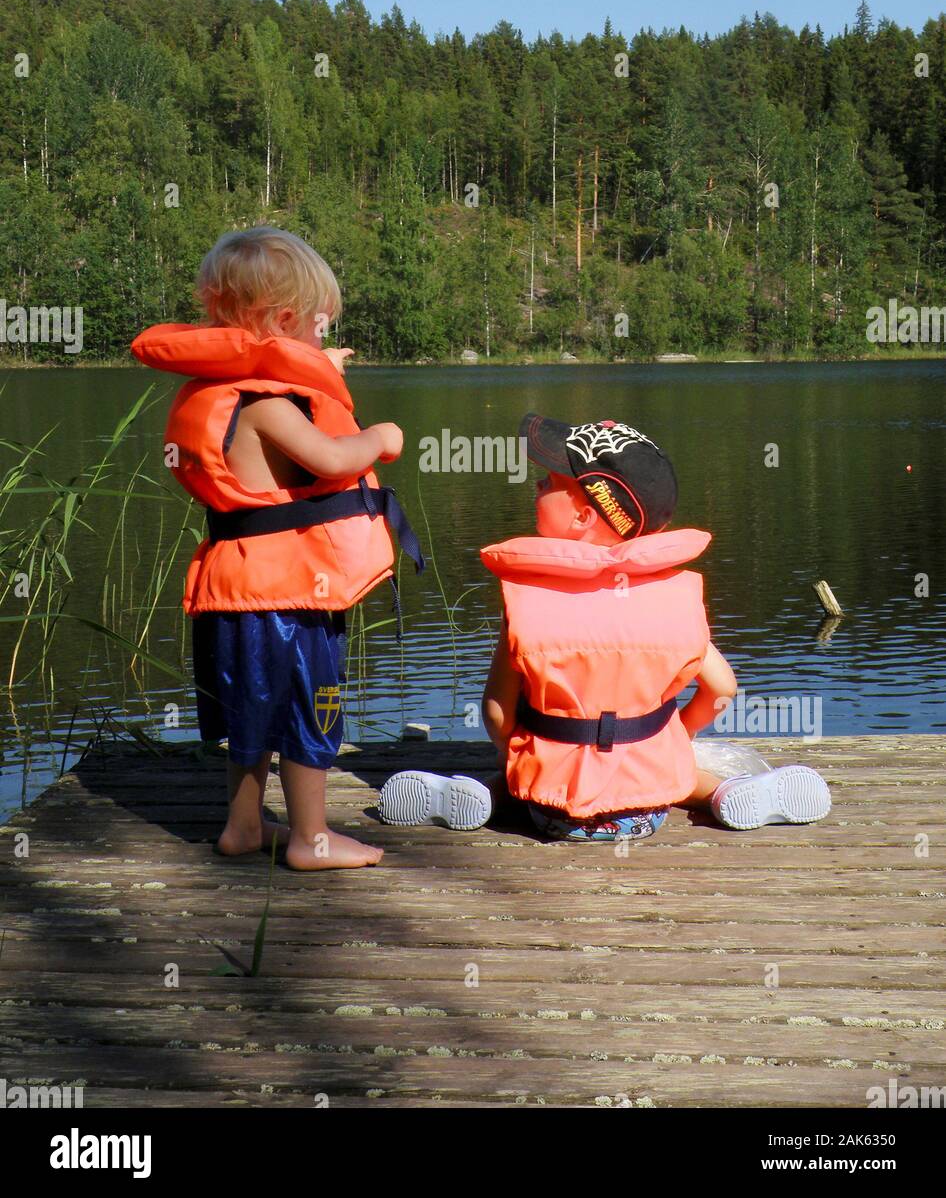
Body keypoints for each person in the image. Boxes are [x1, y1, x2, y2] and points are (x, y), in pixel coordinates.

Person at [378, 414, 830, 841]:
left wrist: (512, 748)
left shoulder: (529, 600)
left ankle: (485, 795)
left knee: (528, 764)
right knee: (671, 763)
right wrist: (678, 736)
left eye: (551, 481)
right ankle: (724, 794)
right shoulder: (670, 597)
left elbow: (497, 714)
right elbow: (723, 689)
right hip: (647, 808)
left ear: (583, 516)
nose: (536, 483)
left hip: (550, 810)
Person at [131, 226, 423, 868]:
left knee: (248, 713)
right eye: (319, 330)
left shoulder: (216, 394)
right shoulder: (268, 405)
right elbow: (330, 455)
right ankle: (310, 838)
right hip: (289, 599)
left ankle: (242, 826)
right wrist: (378, 436)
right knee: (307, 711)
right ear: (286, 320)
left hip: (232, 592)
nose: (320, 344)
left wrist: (321, 371)